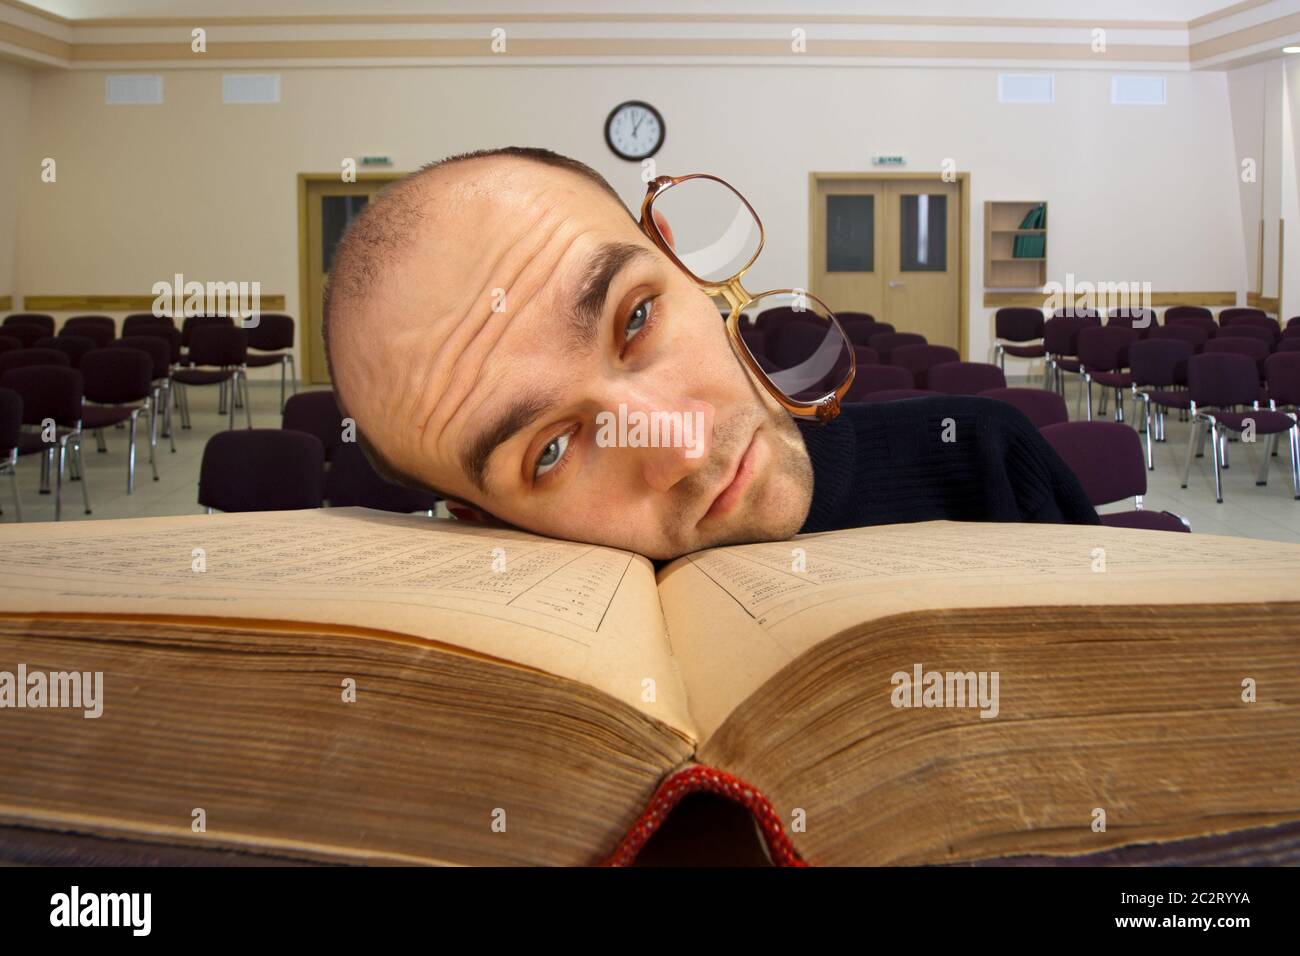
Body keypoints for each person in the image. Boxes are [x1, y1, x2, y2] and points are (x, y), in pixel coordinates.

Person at [323, 146, 1097, 560]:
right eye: (552, 449)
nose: (685, 448)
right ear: (482, 518)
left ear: (693, 272)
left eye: (635, 320)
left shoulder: (986, 460)